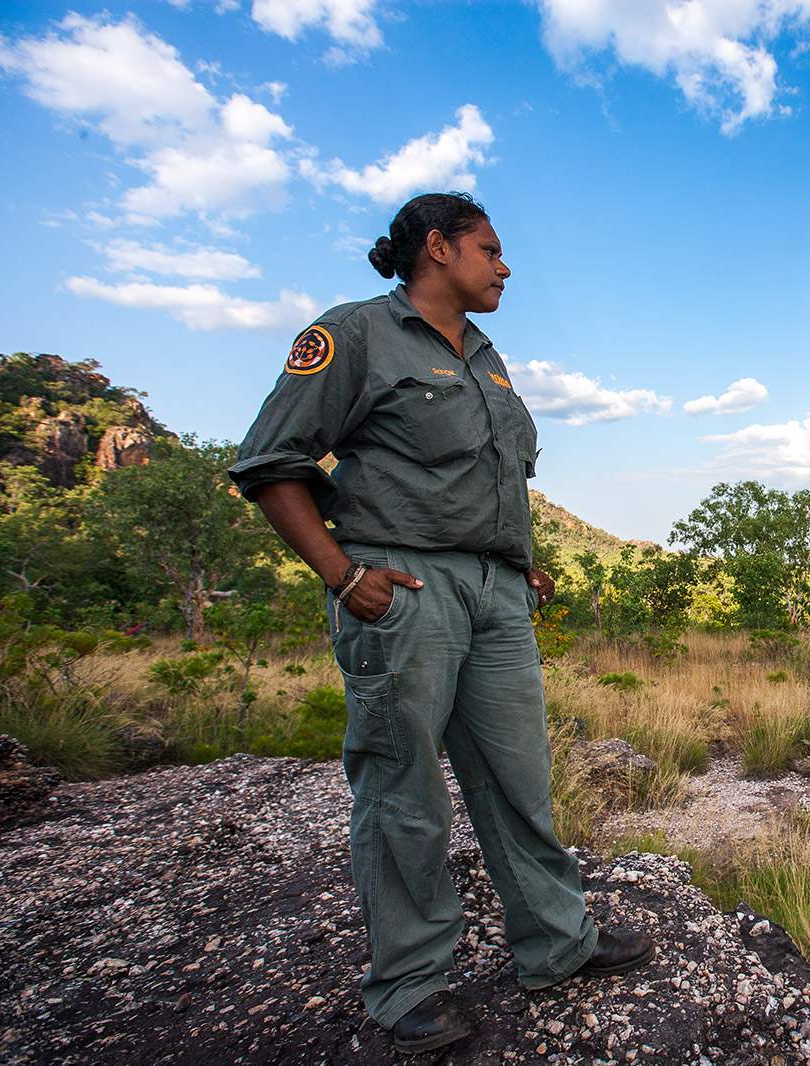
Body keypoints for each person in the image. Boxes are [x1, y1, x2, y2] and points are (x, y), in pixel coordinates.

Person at [228, 191, 653, 1055]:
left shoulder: (488, 357)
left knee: (518, 779)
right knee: (402, 790)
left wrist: (517, 559)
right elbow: (272, 463)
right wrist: (345, 578)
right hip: (402, 588)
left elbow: (496, 475)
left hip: (496, 593)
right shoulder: (352, 335)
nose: (504, 266)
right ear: (437, 248)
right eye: (490, 250)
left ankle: (556, 945)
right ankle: (409, 986)